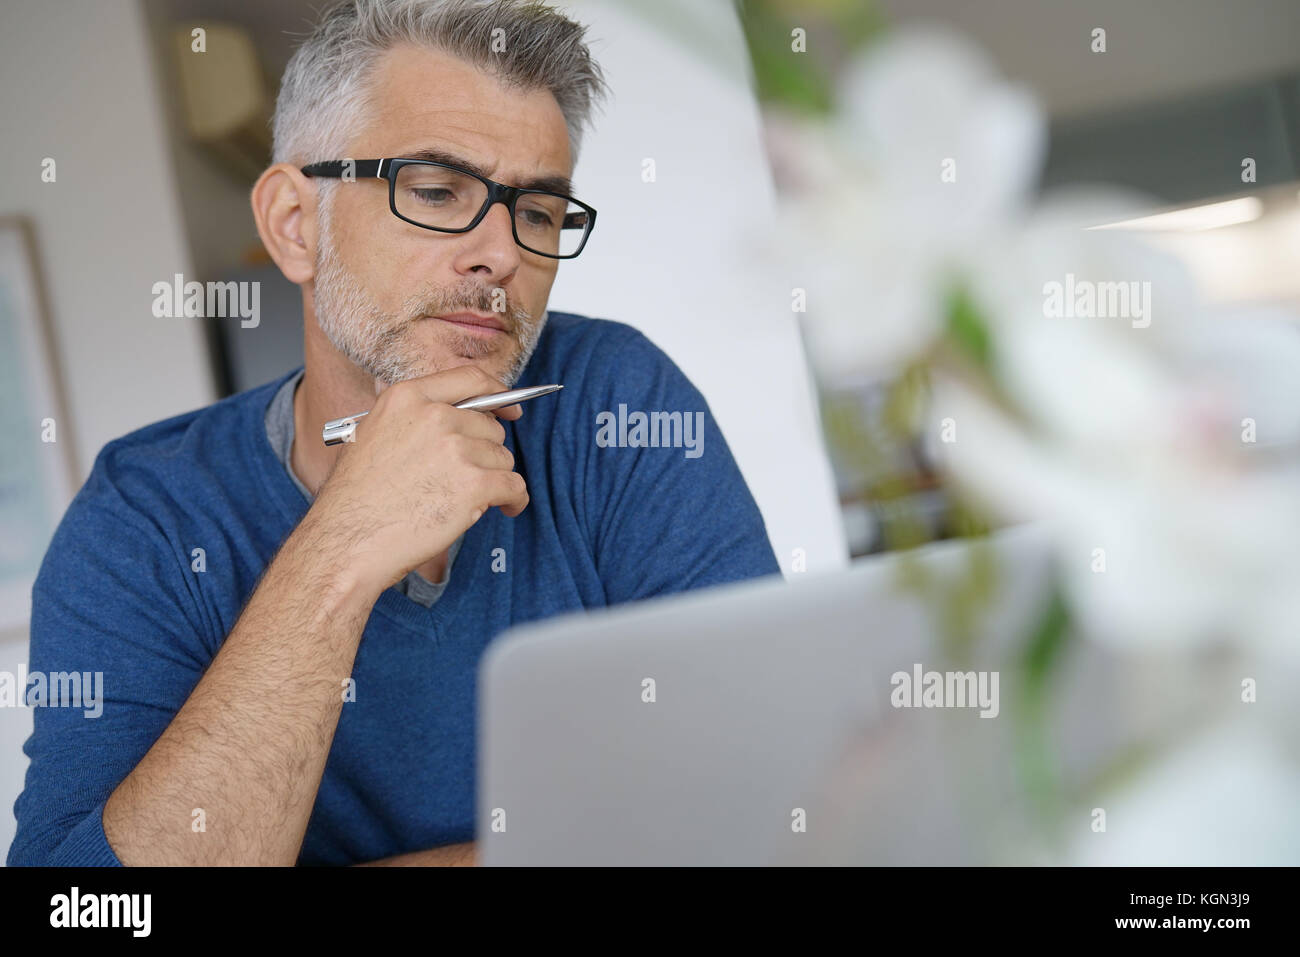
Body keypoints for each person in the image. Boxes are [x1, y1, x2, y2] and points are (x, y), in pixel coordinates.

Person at [8, 0, 779, 866]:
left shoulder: (618, 401)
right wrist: (343, 546)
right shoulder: (142, 518)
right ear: (297, 226)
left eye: (537, 210)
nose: (502, 255)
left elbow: (777, 797)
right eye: (437, 190)